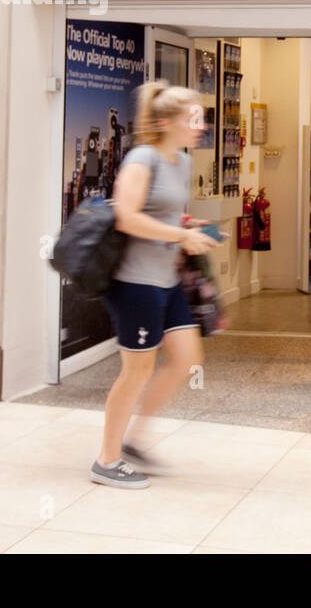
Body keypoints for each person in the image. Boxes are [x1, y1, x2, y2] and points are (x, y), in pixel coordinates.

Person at [90, 81, 222, 489]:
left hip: (167, 280)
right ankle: (107, 460)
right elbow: (127, 218)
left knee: (186, 357)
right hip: (136, 282)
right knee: (136, 371)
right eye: (192, 119)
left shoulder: (181, 161)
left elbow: (162, 214)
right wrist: (181, 237)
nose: (200, 126)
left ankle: (134, 440)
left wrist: (188, 225)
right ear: (166, 122)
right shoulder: (141, 158)